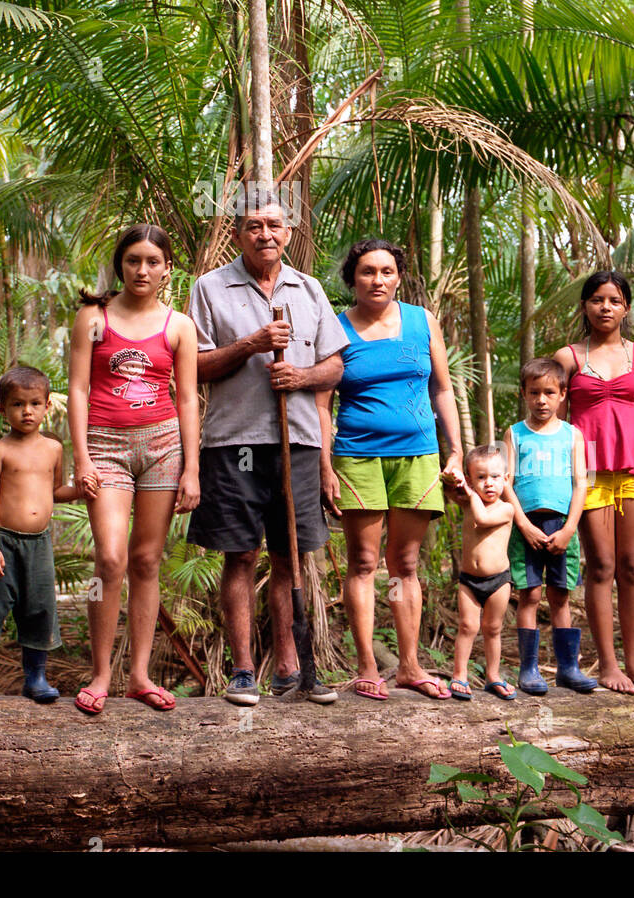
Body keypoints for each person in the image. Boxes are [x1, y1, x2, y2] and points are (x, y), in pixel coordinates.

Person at [188, 188, 347, 706]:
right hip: (235, 443)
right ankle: (242, 671)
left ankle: (291, 667)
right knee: (241, 553)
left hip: (296, 441)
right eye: (254, 225)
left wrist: (300, 375)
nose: (266, 234)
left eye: (275, 225)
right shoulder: (210, 288)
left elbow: (335, 366)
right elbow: (194, 366)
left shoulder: (309, 289)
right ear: (237, 235)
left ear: (288, 233)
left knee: (291, 555)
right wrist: (251, 345)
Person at [316, 239, 464, 701]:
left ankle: (409, 666)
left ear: (399, 276)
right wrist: (325, 466)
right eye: (366, 272)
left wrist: (454, 450)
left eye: (385, 271)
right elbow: (322, 404)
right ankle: (365, 667)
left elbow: (442, 389)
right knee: (363, 562)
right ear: (352, 279)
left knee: (404, 564)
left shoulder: (423, 322)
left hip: (418, 455)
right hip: (357, 455)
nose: (376, 280)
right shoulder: (336, 330)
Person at [67, 225, 200, 715]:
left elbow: (187, 399)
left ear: (167, 269)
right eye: (132, 261)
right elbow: (78, 390)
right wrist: (81, 458)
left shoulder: (179, 325)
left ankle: (138, 676)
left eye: (152, 261)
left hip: (163, 448)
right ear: (119, 264)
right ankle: (101, 673)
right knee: (110, 559)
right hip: (105, 446)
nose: (142, 270)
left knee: (146, 561)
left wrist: (193, 469)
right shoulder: (93, 318)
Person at [553, 270, 634, 695]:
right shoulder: (567, 358)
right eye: (598, 299)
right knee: (600, 566)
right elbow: (551, 422)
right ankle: (608, 665)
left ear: (626, 308)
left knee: (633, 567)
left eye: (615, 300)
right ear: (585, 305)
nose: (606, 307)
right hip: (589, 473)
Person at [0, 366, 75, 701]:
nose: (27, 411)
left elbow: (56, 490)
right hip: (4, 541)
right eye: (18, 404)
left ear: (47, 406)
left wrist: (78, 490)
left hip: (39, 544)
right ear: (2, 409)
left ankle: (35, 677)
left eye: (35, 403)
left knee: (40, 607)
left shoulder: (53, 448)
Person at [501, 357, 596, 695]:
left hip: (562, 525)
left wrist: (571, 528)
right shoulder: (513, 434)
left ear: (562, 395)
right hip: (525, 524)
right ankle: (529, 669)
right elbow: (504, 482)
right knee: (530, 594)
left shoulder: (574, 435)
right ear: (524, 395)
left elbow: (582, 483)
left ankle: (568, 668)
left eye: (549, 393)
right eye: (534, 393)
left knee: (559, 595)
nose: (541, 400)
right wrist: (523, 524)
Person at [451, 443, 515, 700]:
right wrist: (453, 479)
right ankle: (460, 674)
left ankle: (493, 676)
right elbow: (450, 492)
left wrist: (471, 494)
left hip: (498, 581)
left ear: (506, 479)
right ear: (470, 480)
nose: (489, 483)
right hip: (469, 581)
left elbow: (483, 520)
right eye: (481, 478)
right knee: (467, 626)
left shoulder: (505, 509)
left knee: (492, 628)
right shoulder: (469, 502)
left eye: (495, 477)